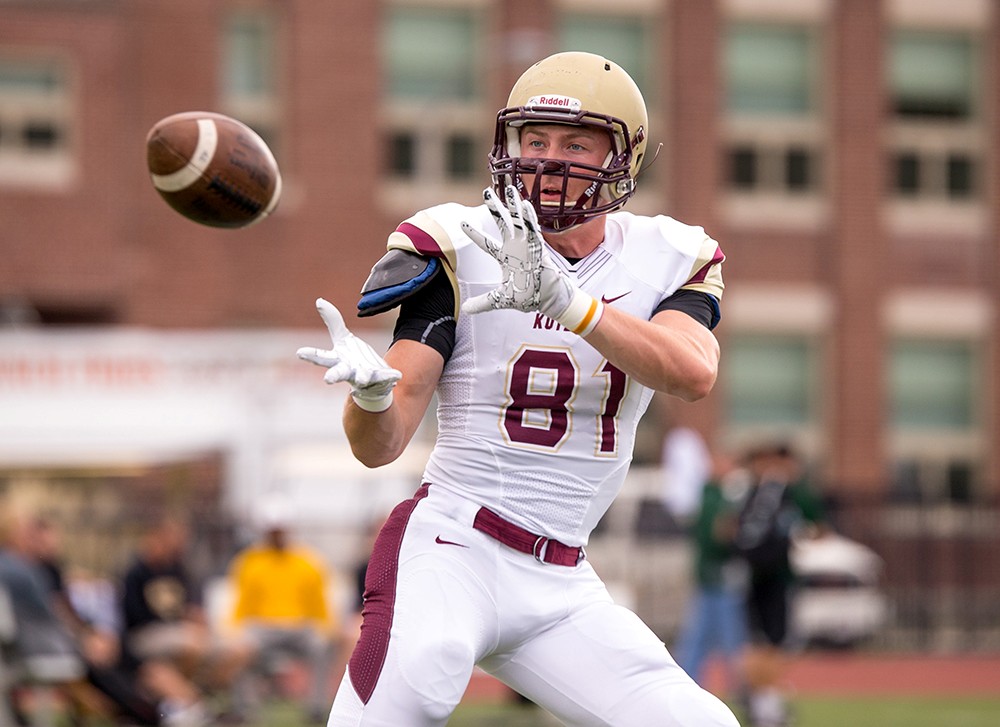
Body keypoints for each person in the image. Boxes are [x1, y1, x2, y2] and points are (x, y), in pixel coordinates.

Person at [297, 51, 739, 726]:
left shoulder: (668, 254)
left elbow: (692, 372)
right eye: (534, 140)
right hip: (452, 547)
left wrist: (574, 305)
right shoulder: (461, 242)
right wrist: (372, 398)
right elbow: (380, 446)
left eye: (574, 143)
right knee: (422, 677)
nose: (547, 159)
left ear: (626, 156)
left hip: (561, 578)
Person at [119, 514, 252, 725]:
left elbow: (193, 606)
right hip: (148, 633)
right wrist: (184, 621)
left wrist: (195, 617)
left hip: (182, 632)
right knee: (190, 643)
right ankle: (189, 700)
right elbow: (135, 616)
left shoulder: (181, 570)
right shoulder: (136, 572)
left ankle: (200, 693)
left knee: (241, 648)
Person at [226, 496, 341, 723]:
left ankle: (316, 707)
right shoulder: (250, 562)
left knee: (319, 646)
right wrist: (235, 634)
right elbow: (242, 604)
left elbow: (318, 603)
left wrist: (325, 629)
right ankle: (244, 708)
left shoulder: (307, 561)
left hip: (299, 627)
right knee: (241, 650)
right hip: (261, 627)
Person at [735, 444, 827, 727]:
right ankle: (767, 703)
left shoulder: (752, 489)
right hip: (777, 576)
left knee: (757, 641)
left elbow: (733, 530)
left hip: (751, 574)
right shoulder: (791, 492)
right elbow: (820, 529)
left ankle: (758, 697)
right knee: (776, 643)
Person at [673, 452, 750, 701]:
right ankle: (738, 691)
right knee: (728, 641)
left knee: (698, 640)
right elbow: (720, 535)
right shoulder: (716, 497)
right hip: (719, 579)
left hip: (712, 578)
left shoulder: (708, 495)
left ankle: (687, 687)